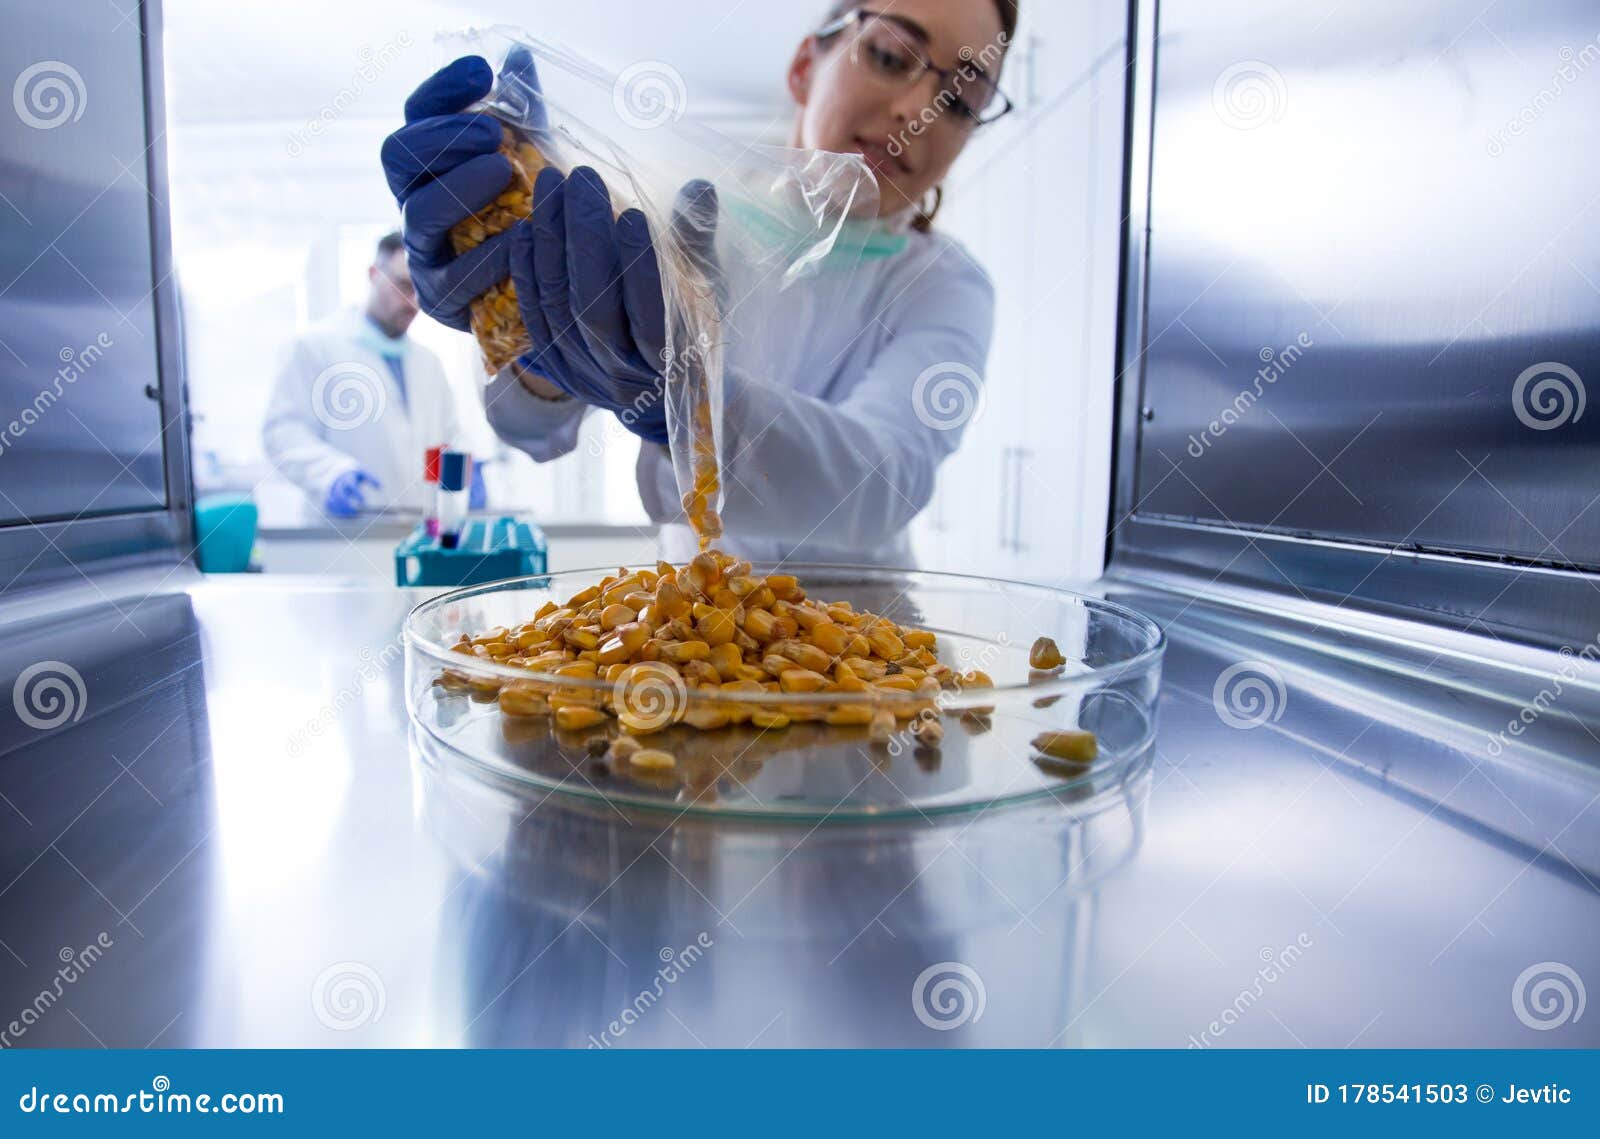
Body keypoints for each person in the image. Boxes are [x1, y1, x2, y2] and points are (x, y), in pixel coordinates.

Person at [381, 1, 1013, 561]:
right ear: (804, 66)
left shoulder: (947, 285)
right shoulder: (679, 211)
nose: (916, 111)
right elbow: (532, 429)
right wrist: (524, 316)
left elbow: (883, 481)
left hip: (859, 650)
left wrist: (688, 404)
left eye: (959, 101)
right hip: (687, 638)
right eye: (889, 55)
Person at [262, 232, 486, 520]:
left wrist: (464, 464)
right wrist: (331, 473)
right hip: (343, 535)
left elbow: (447, 436)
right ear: (373, 274)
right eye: (404, 285)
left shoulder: (428, 362)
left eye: (422, 290)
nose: (412, 303)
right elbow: (282, 432)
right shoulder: (314, 347)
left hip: (416, 530)